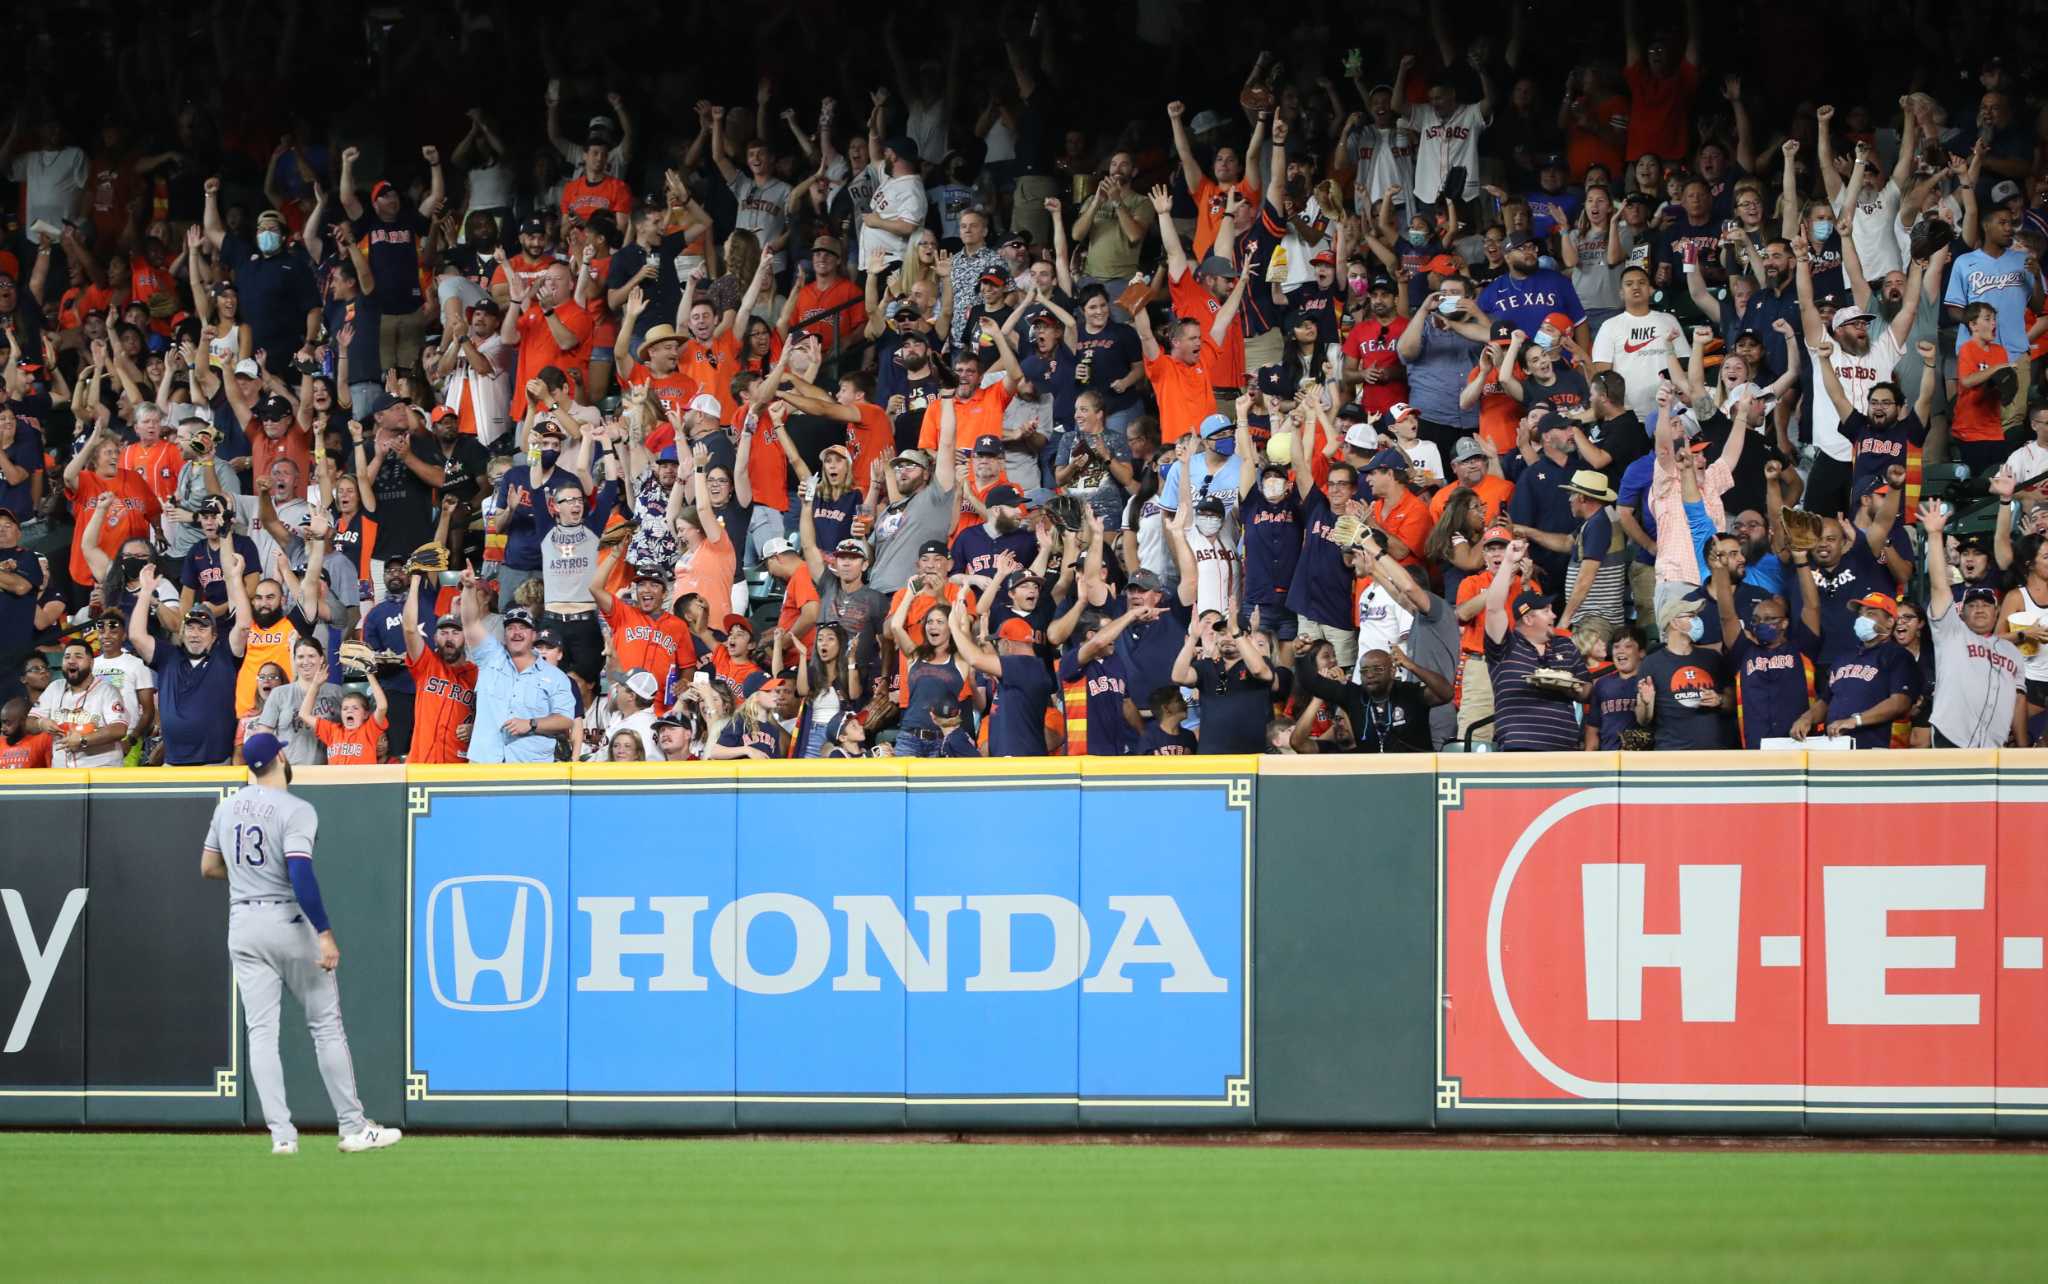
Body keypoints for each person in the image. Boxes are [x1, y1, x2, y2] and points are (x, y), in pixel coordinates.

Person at [200, 732, 399, 1155]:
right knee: (325, 1026)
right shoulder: (295, 809)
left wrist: (249, 880)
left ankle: (282, 1137)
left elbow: (208, 867)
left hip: (243, 923)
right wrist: (324, 932)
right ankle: (352, 1126)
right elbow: (300, 875)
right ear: (279, 757)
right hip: (287, 919)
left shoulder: (227, 806)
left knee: (261, 1032)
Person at [1919, 501, 2028, 748]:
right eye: (1972, 605)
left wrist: (2022, 748)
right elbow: (1938, 586)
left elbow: (2019, 701)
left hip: (1993, 744)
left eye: (1986, 604)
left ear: (1997, 611)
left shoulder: (2011, 652)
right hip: (1952, 736)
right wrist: (1935, 535)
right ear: (1962, 612)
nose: (1979, 609)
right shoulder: (1951, 634)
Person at [1481, 539, 1588, 751]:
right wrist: (1509, 562)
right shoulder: (1505, 645)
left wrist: (1573, 689)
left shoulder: (1565, 645)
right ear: (1528, 619)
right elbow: (1493, 608)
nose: (1554, 615)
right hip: (1520, 749)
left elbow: (1586, 690)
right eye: (1546, 611)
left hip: (1565, 753)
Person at [460, 574, 576, 764]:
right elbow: (470, 623)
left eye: (522, 628)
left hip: (530, 767)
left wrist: (531, 724)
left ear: (533, 635)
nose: (516, 633)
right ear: (504, 634)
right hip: (485, 763)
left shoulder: (554, 676)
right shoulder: (491, 656)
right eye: (510, 628)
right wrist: (468, 588)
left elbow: (565, 720)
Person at [1633, 596, 1731, 749]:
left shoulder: (1712, 658)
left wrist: (1720, 699)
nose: (1697, 620)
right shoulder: (1651, 663)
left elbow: (1732, 701)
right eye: (1691, 616)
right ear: (1674, 622)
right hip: (1673, 754)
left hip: (1714, 753)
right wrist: (1646, 703)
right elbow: (1642, 720)